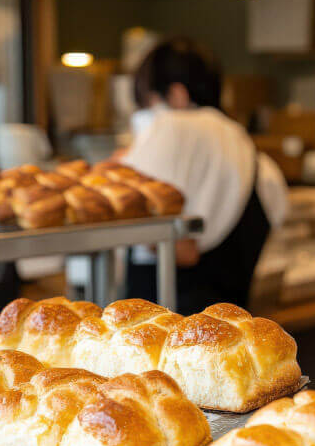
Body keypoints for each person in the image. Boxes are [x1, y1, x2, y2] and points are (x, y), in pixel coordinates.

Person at [121, 38, 287, 315]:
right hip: (232, 329)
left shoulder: (174, 129)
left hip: (161, 336)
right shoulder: (251, 150)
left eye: (149, 102)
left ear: (177, 94)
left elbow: (182, 251)